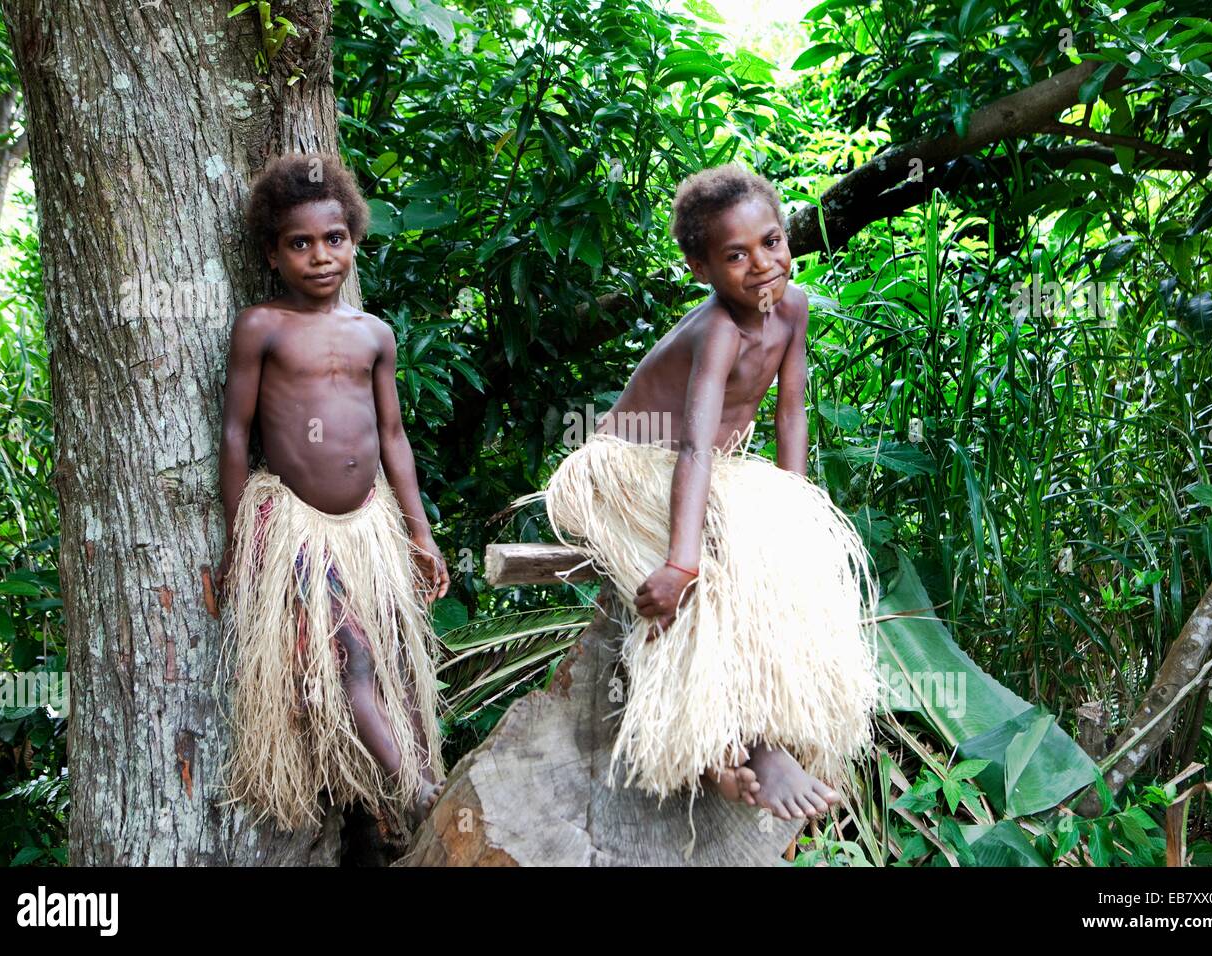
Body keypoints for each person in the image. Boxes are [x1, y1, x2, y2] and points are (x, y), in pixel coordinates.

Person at [516, 165, 881, 822]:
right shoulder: (718, 331)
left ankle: (730, 752)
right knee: (717, 564)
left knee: (774, 553)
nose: (762, 264)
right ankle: (750, 745)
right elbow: (689, 443)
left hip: (710, 466)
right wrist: (681, 561)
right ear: (700, 269)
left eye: (771, 241)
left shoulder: (792, 309)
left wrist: (794, 514)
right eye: (735, 255)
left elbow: (789, 415)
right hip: (626, 471)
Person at [213, 152, 449, 833]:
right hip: (298, 525)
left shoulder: (374, 334)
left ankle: (391, 802)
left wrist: (419, 532)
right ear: (272, 255)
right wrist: (239, 541)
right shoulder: (263, 327)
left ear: (354, 240)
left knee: (394, 660)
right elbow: (235, 436)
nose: (321, 257)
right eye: (300, 244)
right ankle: (416, 790)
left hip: (368, 525)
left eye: (334, 239)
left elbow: (395, 437)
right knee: (352, 655)